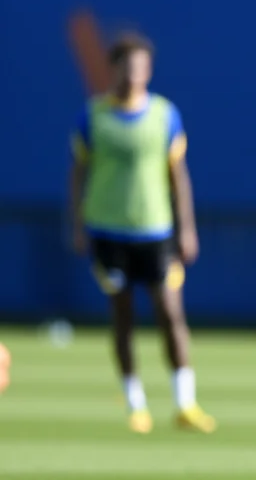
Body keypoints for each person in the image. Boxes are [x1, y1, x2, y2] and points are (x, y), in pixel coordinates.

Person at [69, 33, 215, 435]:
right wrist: (77, 223)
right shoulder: (93, 116)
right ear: (113, 68)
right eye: (128, 66)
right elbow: (78, 171)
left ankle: (185, 402)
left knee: (170, 312)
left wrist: (187, 227)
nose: (135, 74)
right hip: (108, 232)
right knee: (122, 315)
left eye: (142, 67)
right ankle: (136, 403)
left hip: (156, 232)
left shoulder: (165, 115)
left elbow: (178, 176)